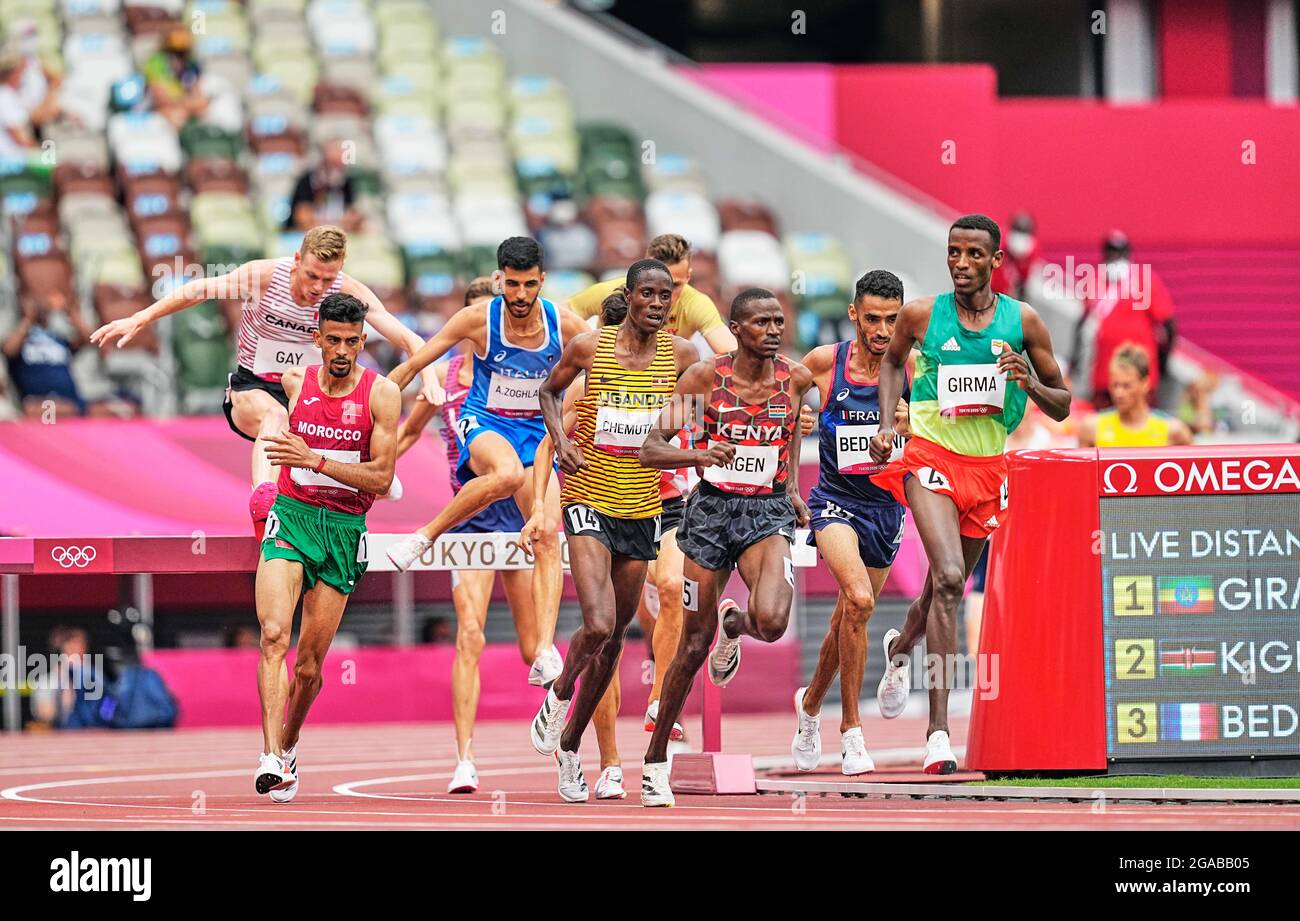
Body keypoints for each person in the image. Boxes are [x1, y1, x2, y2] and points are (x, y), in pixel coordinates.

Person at [869, 214, 1072, 774]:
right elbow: (890, 364)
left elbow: (1064, 404)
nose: (961, 263)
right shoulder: (921, 315)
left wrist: (1028, 380)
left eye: (973, 255)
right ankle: (939, 733)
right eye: (954, 252)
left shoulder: (1022, 321)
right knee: (953, 580)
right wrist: (888, 422)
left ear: (996, 261)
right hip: (931, 454)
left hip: (987, 468)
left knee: (940, 585)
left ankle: (899, 650)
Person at [90, 226, 440, 533]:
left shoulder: (347, 291)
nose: (318, 288)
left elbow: (410, 339)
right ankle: (263, 505)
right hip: (252, 387)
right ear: (297, 259)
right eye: (311, 275)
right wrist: (140, 318)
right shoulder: (264, 277)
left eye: (327, 278)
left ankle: (367, 473)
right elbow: (198, 290)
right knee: (277, 418)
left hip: (308, 397)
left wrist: (430, 381)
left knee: (359, 408)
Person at [385, 239, 589, 699]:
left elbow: (605, 373)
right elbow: (418, 360)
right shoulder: (478, 319)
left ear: (542, 282)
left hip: (538, 433)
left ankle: (543, 651)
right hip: (486, 422)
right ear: (499, 279)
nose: (519, 295)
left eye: (528, 285)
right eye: (511, 284)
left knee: (547, 530)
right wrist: (378, 393)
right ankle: (425, 536)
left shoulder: (566, 325)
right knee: (508, 476)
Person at [637, 288, 813, 807]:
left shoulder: (795, 378)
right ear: (736, 330)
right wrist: (699, 451)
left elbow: (791, 435)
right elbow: (651, 448)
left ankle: (734, 626)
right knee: (692, 646)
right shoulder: (702, 381)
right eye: (761, 322)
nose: (774, 330)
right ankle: (654, 762)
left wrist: (794, 488)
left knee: (774, 622)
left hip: (766, 514)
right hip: (711, 513)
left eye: (779, 321)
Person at [526, 270, 697, 802]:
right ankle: (557, 697)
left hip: (643, 506)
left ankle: (571, 745)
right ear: (628, 298)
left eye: (665, 296)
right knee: (598, 623)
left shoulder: (685, 356)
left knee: (616, 637)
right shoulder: (588, 347)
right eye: (647, 293)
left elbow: (683, 420)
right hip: (588, 499)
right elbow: (547, 392)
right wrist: (560, 439)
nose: (656, 303)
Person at [405, 276, 559, 794]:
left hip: (514, 518)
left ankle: (561, 736)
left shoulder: (520, 369)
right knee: (469, 635)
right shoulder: (447, 381)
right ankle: (465, 760)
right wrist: (381, 469)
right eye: (473, 325)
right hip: (469, 518)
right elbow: (406, 431)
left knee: (530, 645)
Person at [251, 293, 400, 803]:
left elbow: (382, 478)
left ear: (364, 341)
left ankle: (289, 743)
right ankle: (270, 754)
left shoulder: (381, 395)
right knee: (273, 634)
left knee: (309, 666)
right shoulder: (296, 383)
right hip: (292, 517)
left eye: (351, 342)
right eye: (332, 339)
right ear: (317, 338)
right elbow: (248, 396)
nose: (341, 350)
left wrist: (313, 459)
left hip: (343, 528)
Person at [790, 269, 911, 775]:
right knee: (859, 600)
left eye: (892, 320)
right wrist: (796, 426)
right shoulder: (825, 363)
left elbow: (941, 427)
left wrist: (912, 420)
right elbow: (780, 397)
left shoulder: (913, 368)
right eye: (874, 319)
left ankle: (810, 706)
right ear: (854, 314)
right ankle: (852, 733)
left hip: (887, 508)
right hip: (835, 502)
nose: (883, 331)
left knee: (849, 618)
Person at [565, 233, 736, 354]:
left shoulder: (696, 304)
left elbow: (730, 352)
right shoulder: (609, 292)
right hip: (606, 382)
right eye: (649, 288)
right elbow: (556, 317)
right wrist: (586, 341)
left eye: (673, 286)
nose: (660, 300)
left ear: (688, 276)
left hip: (662, 387)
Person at [1071, 230, 1176, 409]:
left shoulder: (1145, 280)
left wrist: (1163, 363)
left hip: (1140, 376)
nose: (1115, 259)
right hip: (1104, 377)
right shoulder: (1095, 282)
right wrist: (1076, 359)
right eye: (1111, 253)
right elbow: (1084, 323)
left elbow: (1168, 324)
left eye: (1119, 253)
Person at [1077, 343, 1192, 448]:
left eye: (1126, 386)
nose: (1119, 393)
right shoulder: (1092, 429)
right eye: (1115, 385)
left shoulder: (1173, 431)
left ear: (1145, 384)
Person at [3, 290, 90, 417]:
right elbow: (8, 351)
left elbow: (90, 339)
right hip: (36, 402)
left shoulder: (58, 338)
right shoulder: (21, 339)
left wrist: (71, 312)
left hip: (69, 399)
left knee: (99, 410)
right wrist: (28, 319)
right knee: (44, 411)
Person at [286, 139, 364, 233]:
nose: (337, 171)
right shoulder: (307, 181)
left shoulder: (345, 182)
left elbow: (352, 214)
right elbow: (302, 215)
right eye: (333, 164)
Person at [143, 28, 208, 129]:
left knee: (204, 114)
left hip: (184, 110)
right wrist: (188, 104)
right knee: (175, 117)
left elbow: (201, 101)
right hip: (157, 112)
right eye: (174, 52)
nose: (179, 58)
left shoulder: (192, 66)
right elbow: (162, 100)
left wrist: (185, 105)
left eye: (183, 53)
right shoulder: (155, 65)